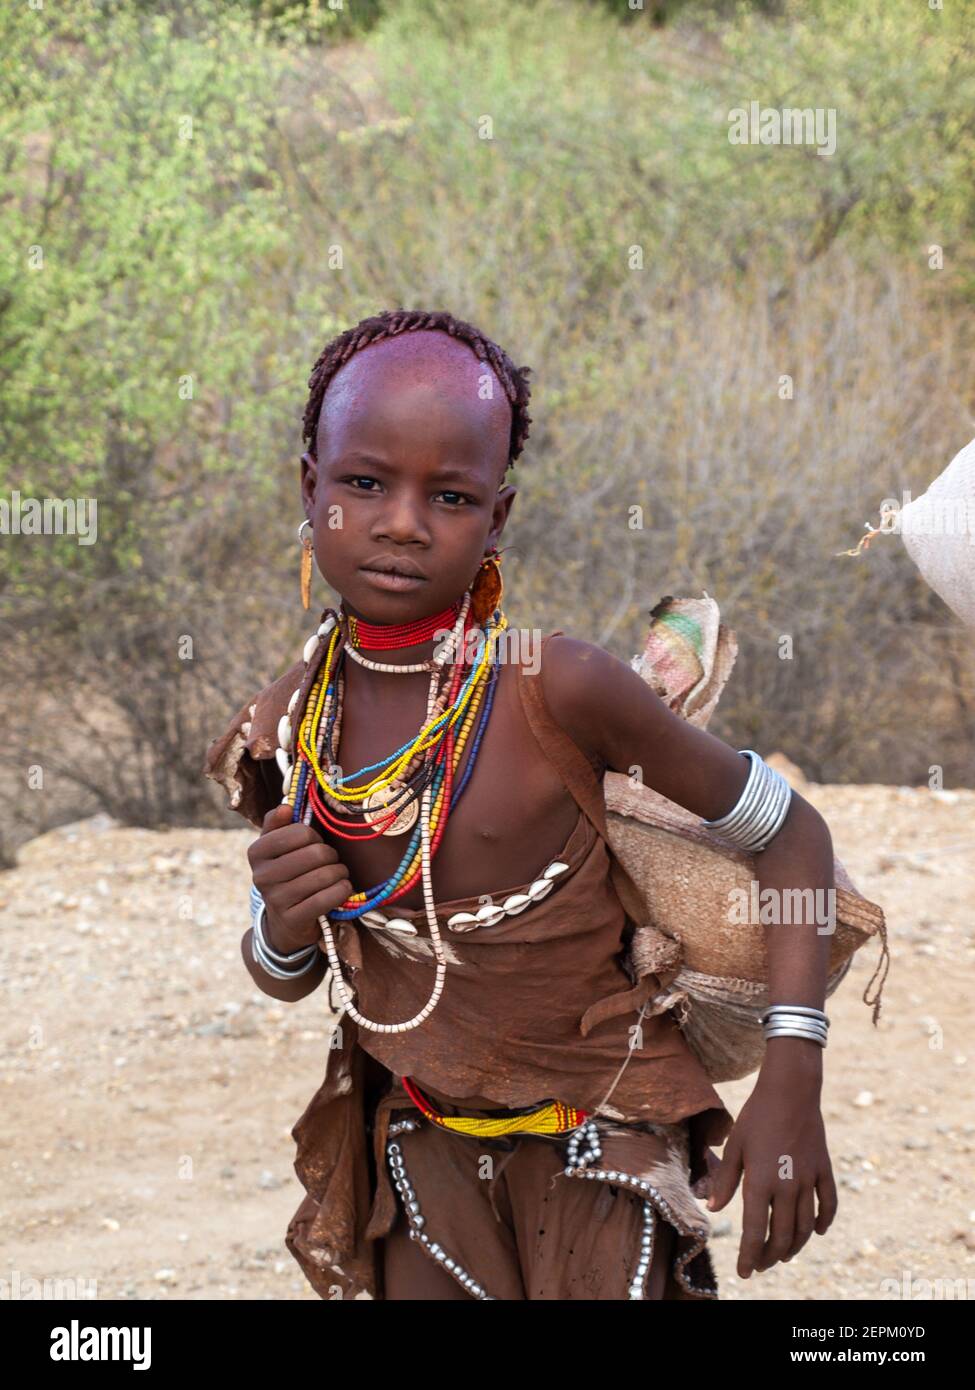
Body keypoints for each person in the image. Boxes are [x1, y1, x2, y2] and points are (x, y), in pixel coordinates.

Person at [202, 307, 838, 1301]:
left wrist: (796, 1072)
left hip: (601, 1150)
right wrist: (284, 921)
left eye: (448, 495)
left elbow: (794, 834)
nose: (403, 520)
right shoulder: (295, 723)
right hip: (415, 1147)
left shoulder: (558, 689)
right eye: (365, 482)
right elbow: (284, 969)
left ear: (494, 519)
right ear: (310, 489)